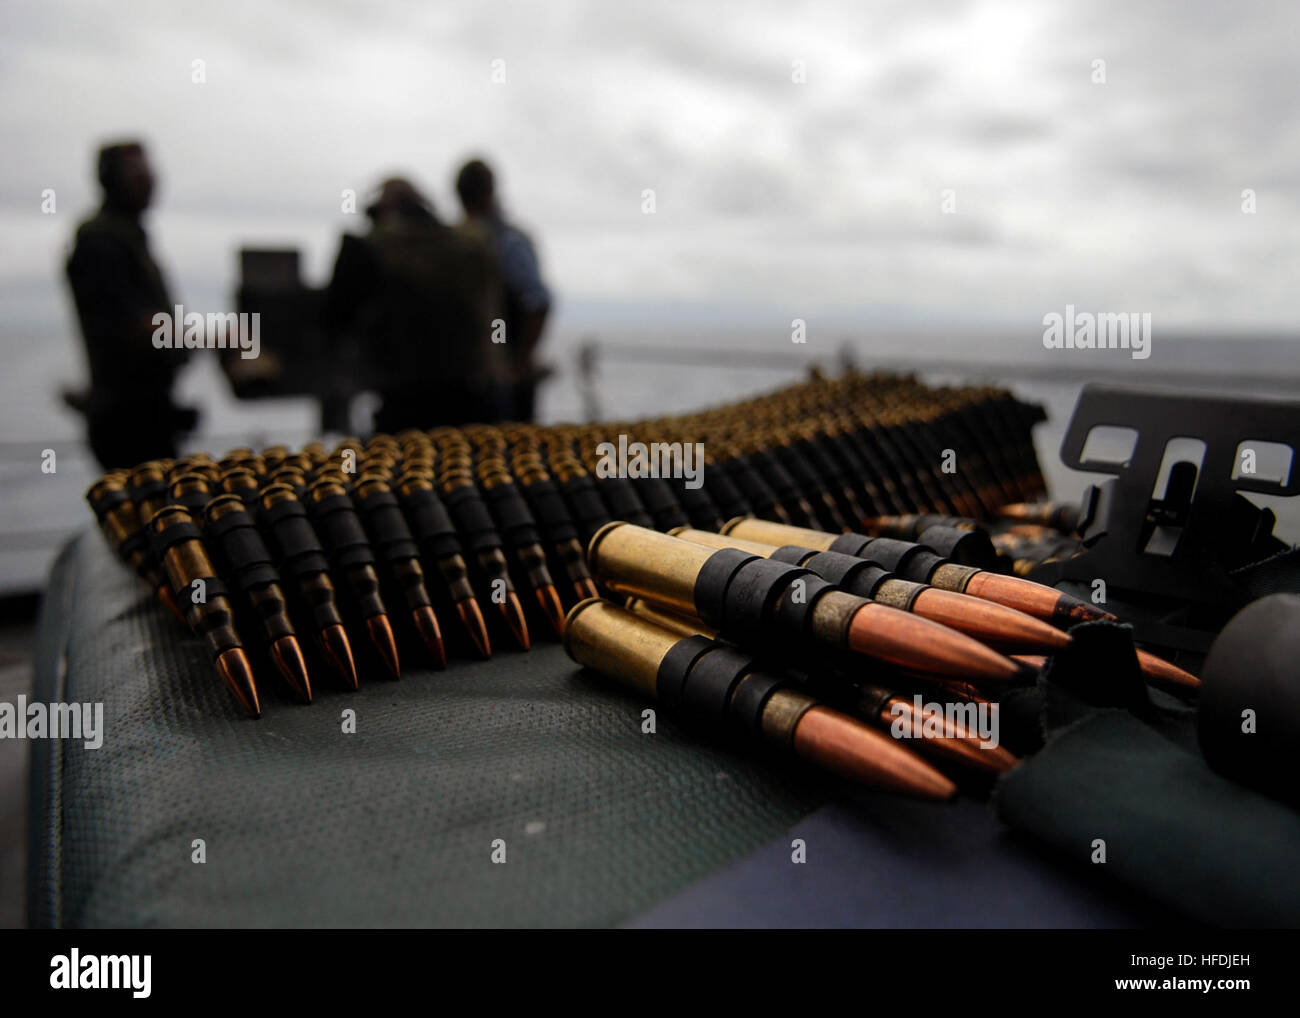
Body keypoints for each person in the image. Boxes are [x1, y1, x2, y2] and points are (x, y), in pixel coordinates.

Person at [323, 177, 507, 433]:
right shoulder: (469, 244)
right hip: (475, 396)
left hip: (403, 400)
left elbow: (335, 318)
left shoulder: (371, 248)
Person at [65, 141, 196, 470]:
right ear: (111, 180)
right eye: (137, 173)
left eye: (148, 172)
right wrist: (220, 337)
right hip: (126, 421)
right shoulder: (100, 241)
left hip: (150, 413)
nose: (150, 181)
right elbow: (132, 325)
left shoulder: (128, 236)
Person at [455, 158, 552, 422]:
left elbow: (537, 303)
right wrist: (521, 363)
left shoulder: (458, 242)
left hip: (480, 380)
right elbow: (538, 302)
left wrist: (515, 367)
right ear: (491, 191)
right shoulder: (509, 240)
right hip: (497, 377)